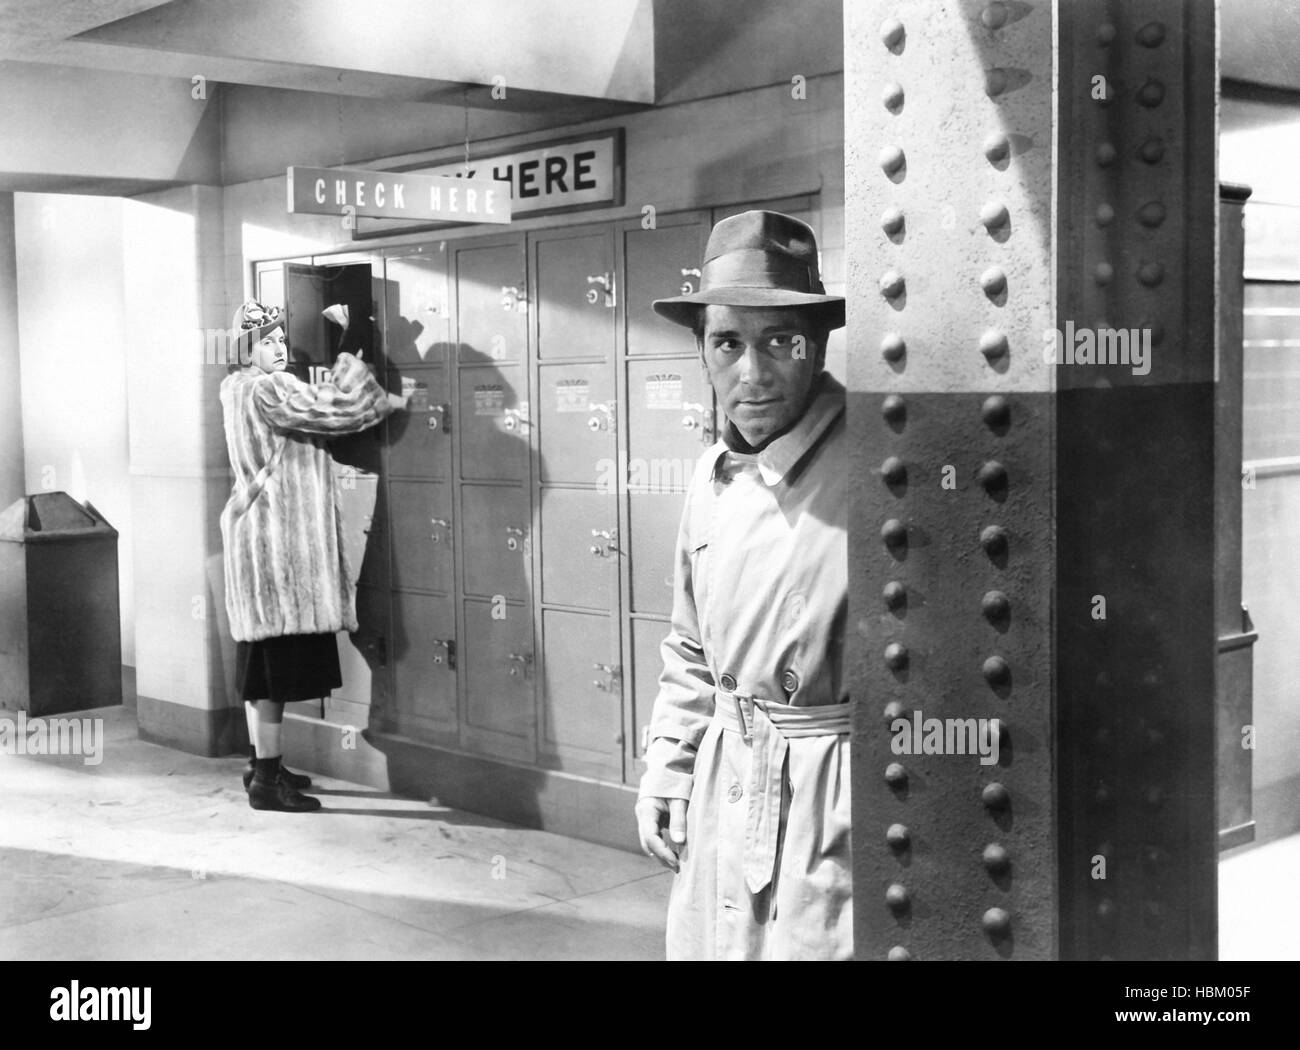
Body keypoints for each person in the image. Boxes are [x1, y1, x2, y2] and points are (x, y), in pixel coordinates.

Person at [633, 211, 850, 959]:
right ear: (702, 350)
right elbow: (690, 645)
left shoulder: (874, 465)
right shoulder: (711, 474)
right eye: (727, 343)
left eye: (779, 342)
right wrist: (668, 767)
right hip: (725, 781)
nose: (751, 374)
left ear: (816, 347)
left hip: (831, 794)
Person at [219, 299, 405, 812]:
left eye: (281, 340)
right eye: (267, 343)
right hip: (280, 548)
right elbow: (342, 409)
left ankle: (264, 766)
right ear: (246, 351)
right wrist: (353, 345)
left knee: (263, 670)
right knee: (274, 673)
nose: (278, 349)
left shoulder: (236, 389)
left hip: (260, 543)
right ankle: (266, 783)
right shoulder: (267, 389)